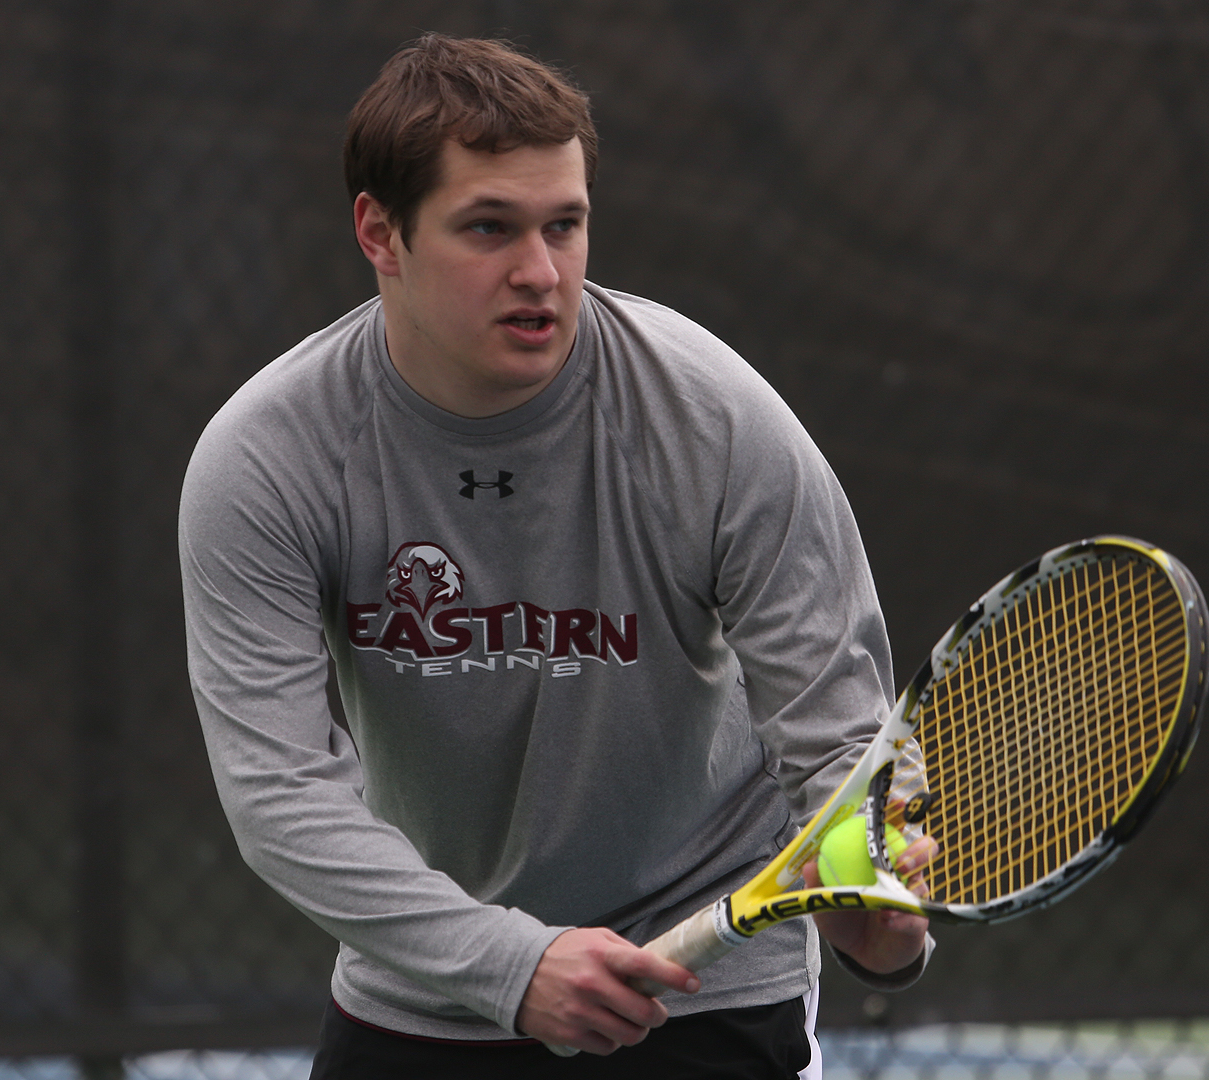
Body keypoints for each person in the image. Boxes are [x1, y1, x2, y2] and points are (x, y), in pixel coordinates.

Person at [178, 33, 931, 1078]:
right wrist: (511, 964)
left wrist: (868, 885)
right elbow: (282, 794)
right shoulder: (268, 458)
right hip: (427, 992)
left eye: (564, 225)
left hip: (701, 999)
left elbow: (839, 736)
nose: (540, 272)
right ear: (379, 233)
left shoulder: (713, 418)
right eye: (488, 227)